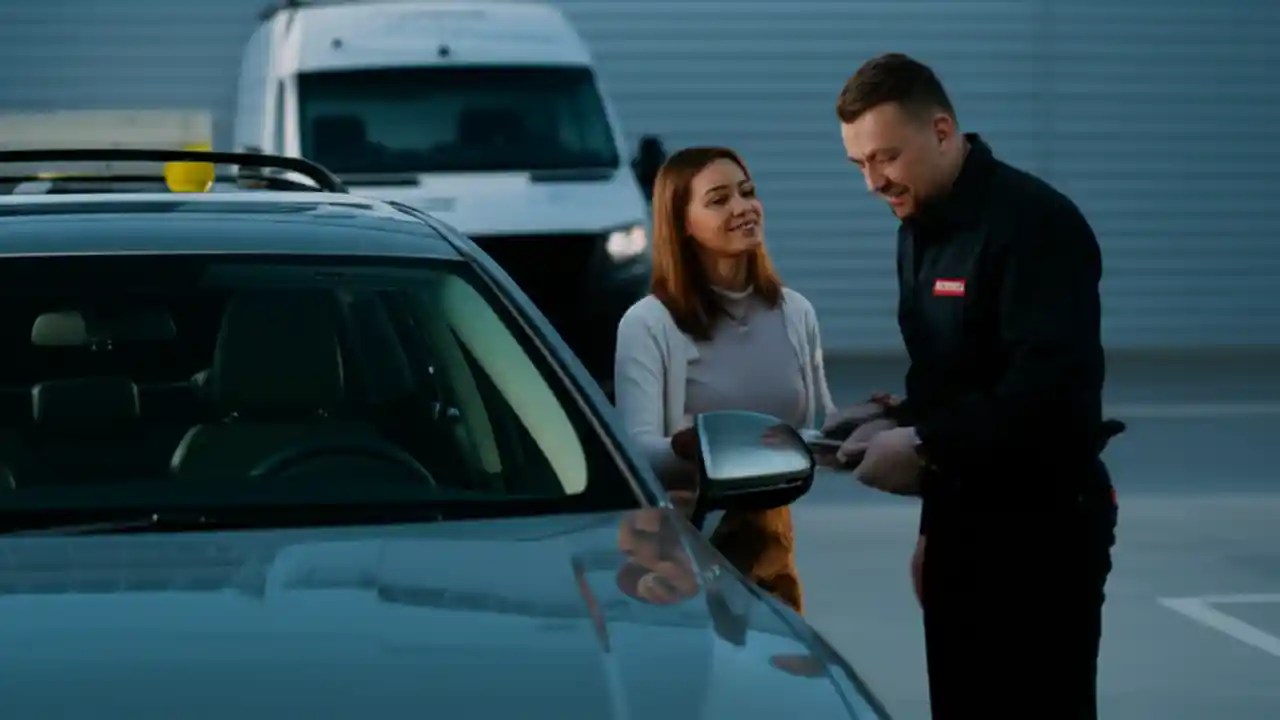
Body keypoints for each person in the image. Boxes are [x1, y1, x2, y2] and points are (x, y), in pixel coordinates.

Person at [828, 53, 1121, 719]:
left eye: (886, 157)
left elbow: (1051, 393)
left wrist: (925, 441)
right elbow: (951, 378)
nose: (874, 182)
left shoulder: (1036, 225)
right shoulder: (917, 230)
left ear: (941, 130)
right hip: (963, 522)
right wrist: (890, 420)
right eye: (859, 165)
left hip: (1044, 531)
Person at [613, 145, 836, 614]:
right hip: (682, 549)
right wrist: (700, 446)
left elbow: (811, 434)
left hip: (772, 546)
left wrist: (867, 426)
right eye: (718, 199)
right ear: (682, 223)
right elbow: (636, 452)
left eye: (747, 192)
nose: (742, 208)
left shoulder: (796, 313)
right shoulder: (649, 324)